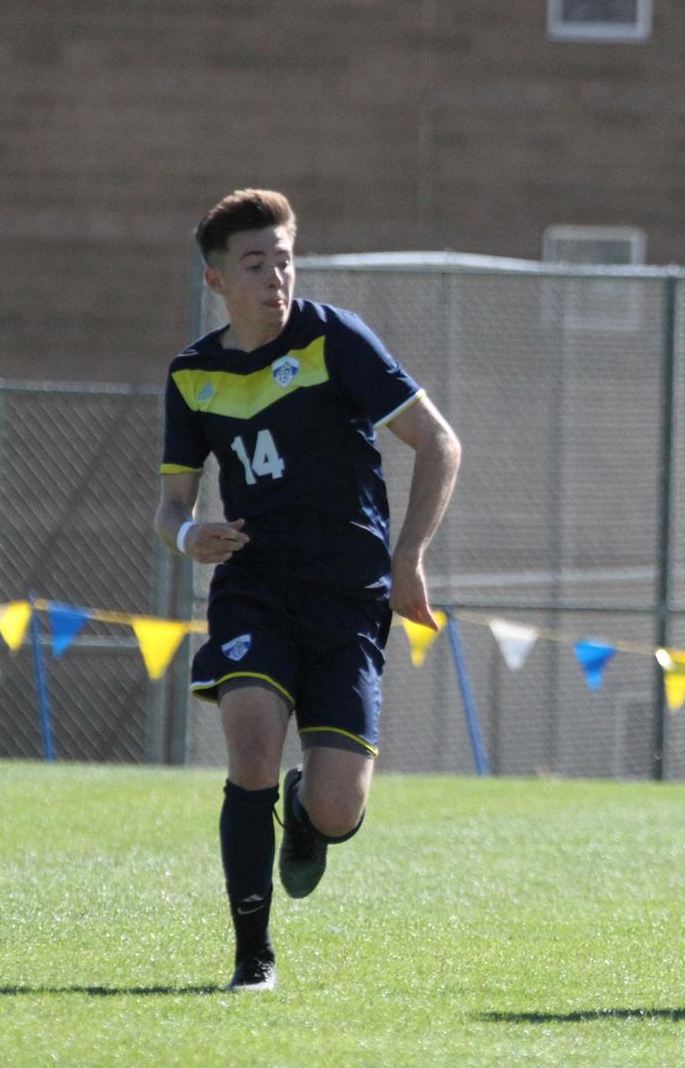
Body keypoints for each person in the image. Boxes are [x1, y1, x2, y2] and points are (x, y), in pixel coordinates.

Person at [155, 189, 462, 992]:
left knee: (336, 811)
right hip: (254, 589)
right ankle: (251, 956)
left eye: (285, 259)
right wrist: (191, 537)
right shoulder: (193, 376)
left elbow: (438, 441)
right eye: (256, 264)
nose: (276, 277)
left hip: (349, 597)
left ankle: (309, 805)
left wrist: (409, 559)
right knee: (250, 749)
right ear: (218, 280)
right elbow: (170, 507)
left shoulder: (333, 339)